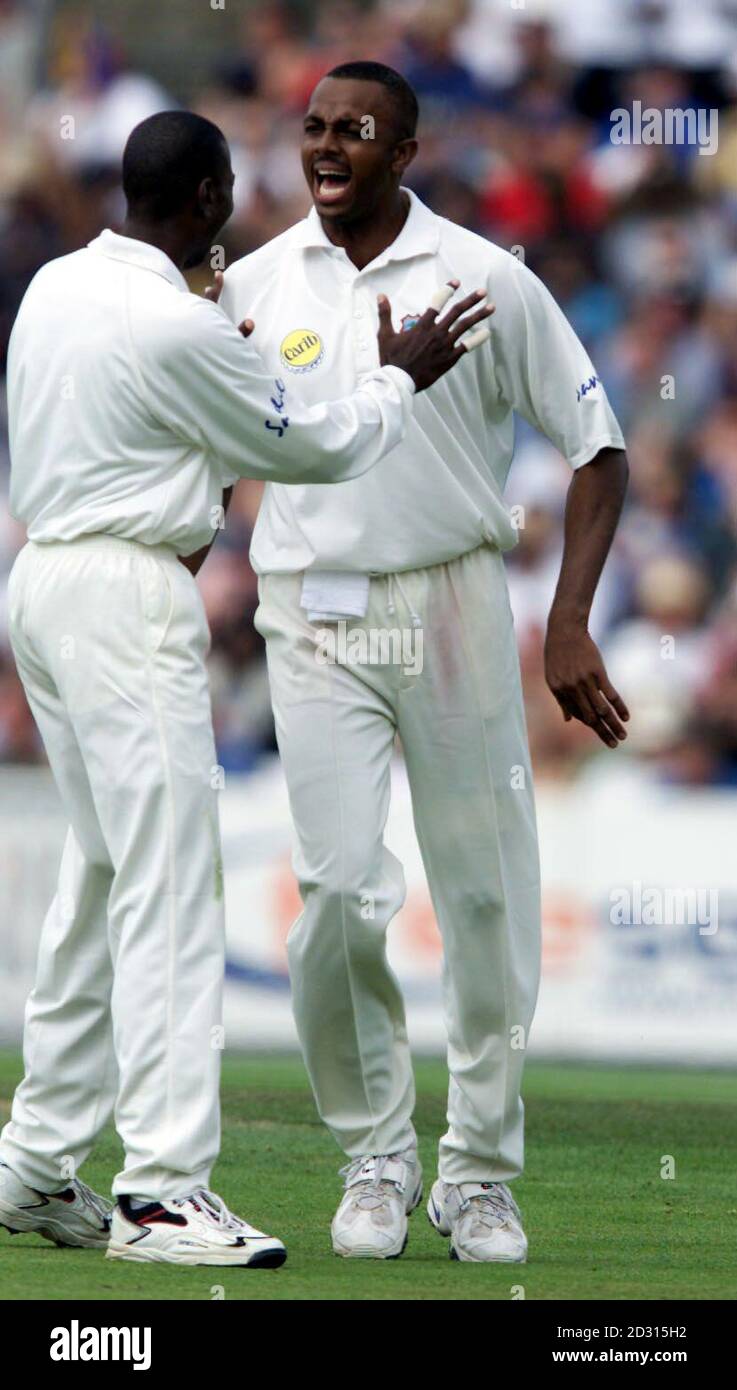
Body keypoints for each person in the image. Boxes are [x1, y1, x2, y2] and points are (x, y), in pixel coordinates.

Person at [0, 109, 490, 1268]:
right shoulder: (180, 325)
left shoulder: (57, 286)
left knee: (105, 870)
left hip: (43, 585)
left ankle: (34, 1162)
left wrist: (217, 335)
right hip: (126, 596)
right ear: (211, 198)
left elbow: (158, 418)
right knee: (168, 889)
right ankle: (162, 1194)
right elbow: (315, 443)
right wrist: (397, 376)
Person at [219, 61, 630, 1264]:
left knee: (485, 894)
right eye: (313, 128)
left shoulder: (482, 277)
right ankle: (376, 1154)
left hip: (452, 598)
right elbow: (201, 446)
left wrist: (567, 619)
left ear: (404, 153)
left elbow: (596, 446)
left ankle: (478, 1175)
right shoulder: (253, 283)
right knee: (337, 893)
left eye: (355, 130)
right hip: (310, 610)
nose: (326, 146)